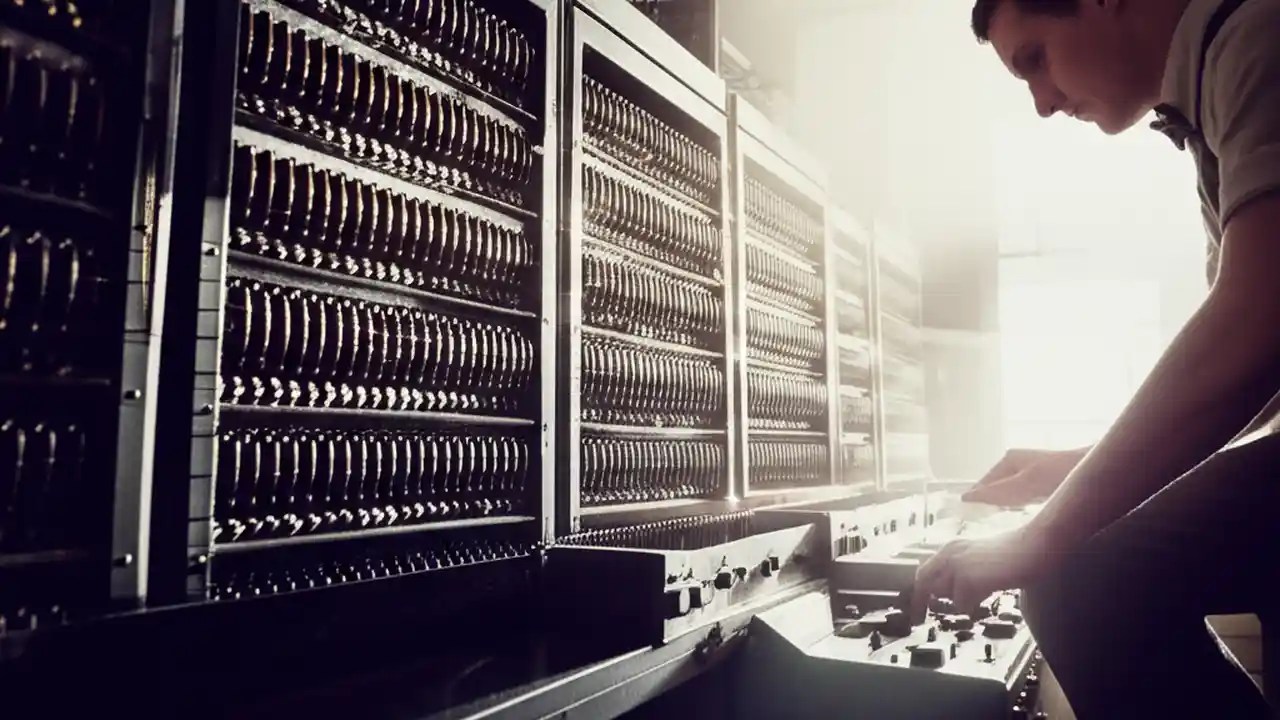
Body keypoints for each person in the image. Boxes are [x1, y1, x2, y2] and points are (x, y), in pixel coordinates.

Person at [911, 0, 1280, 717]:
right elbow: (1258, 385)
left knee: (1076, 579)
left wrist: (1040, 538)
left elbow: (1256, 319)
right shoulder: (1215, 84)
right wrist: (1073, 469)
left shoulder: (1256, 33)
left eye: (1035, 59)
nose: (1043, 105)